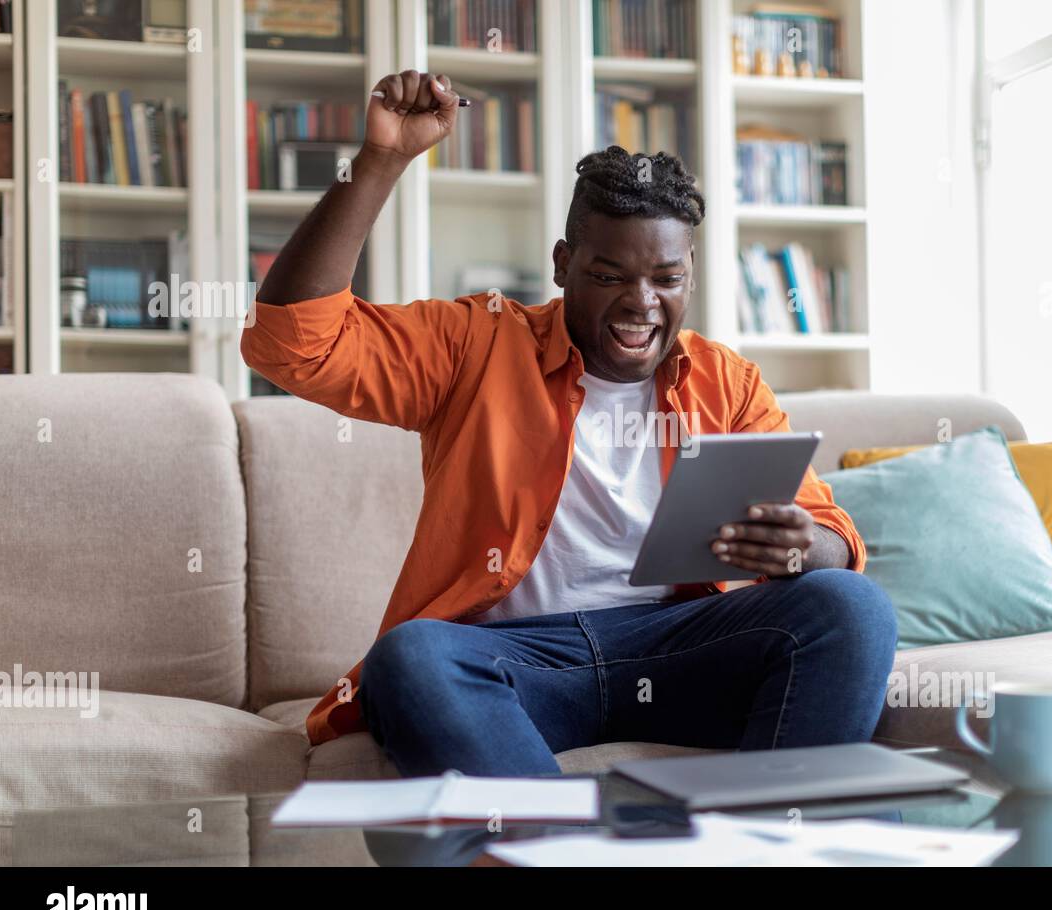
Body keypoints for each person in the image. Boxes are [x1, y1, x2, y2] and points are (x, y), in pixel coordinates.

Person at [242, 69, 897, 777]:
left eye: (666, 279)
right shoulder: (477, 343)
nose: (641, 303)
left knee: (850, 606)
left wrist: (803, 547)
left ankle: (777, 839)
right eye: (611, 275)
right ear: (564, 265)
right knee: (412, 657)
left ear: (690, 273)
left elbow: (835, 541)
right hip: (517, 662)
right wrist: (380, 161)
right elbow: (292, 344)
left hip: (677, 654)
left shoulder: (725, 382)